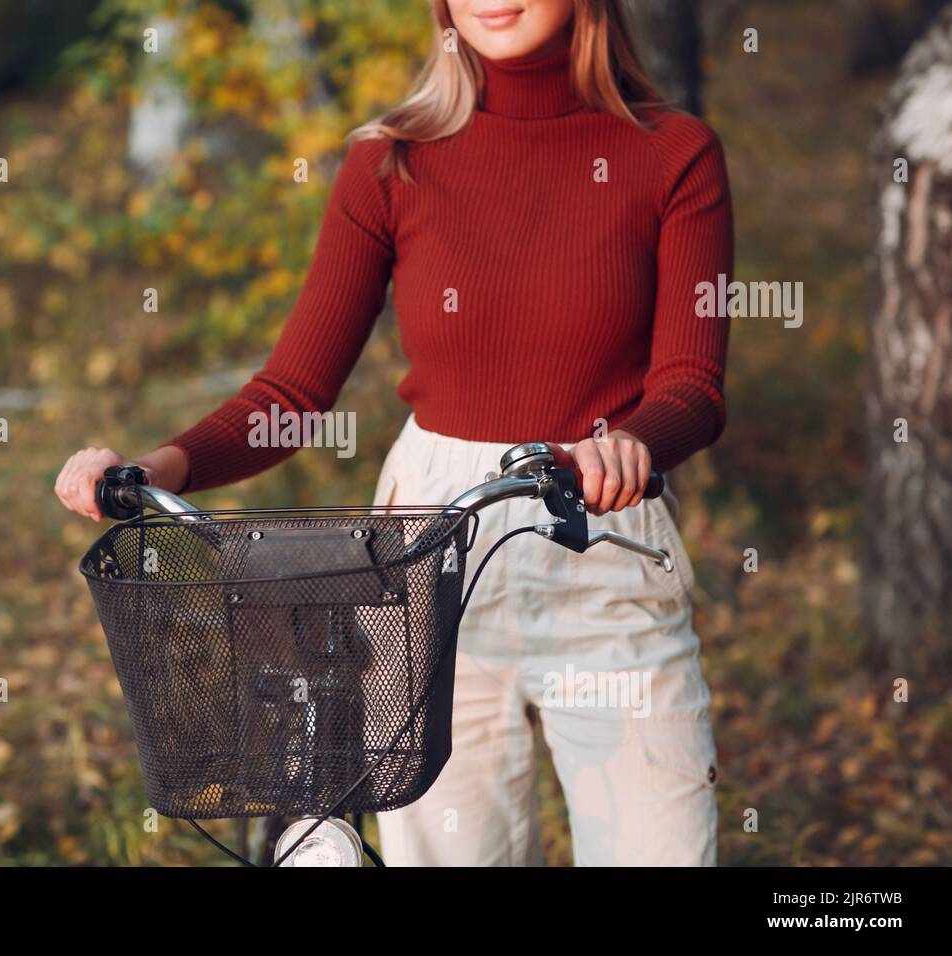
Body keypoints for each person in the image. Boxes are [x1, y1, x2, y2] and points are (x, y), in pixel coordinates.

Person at [56, 0, 733, 866]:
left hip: (599, 534)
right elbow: (292, 390)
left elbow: (693, 386)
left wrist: (629, 444)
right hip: (423, 559)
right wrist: (157, 469)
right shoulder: (390, 160)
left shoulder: (672, 154)